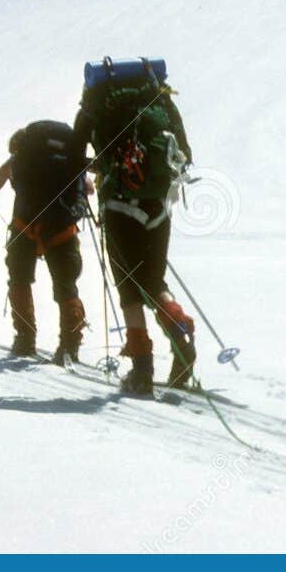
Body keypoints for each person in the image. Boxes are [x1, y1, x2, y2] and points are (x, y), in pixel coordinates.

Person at [73, 58, 197, 395]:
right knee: (153, 279)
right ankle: (180, 334)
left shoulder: (95, 102)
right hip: (160, 201)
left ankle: (142, 369)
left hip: (117, 203)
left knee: (129, 286)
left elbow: (73, 152)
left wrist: (89, 173)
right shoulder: (159, 99)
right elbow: (184, 150)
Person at [0, 120, 90, 363]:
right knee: (66, 286)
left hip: (25, 228)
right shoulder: (65, 163)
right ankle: (70, 346)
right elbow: (88, 188)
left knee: (19, 280)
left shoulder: (15, 163)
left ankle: (25, 339)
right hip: (62, 227)